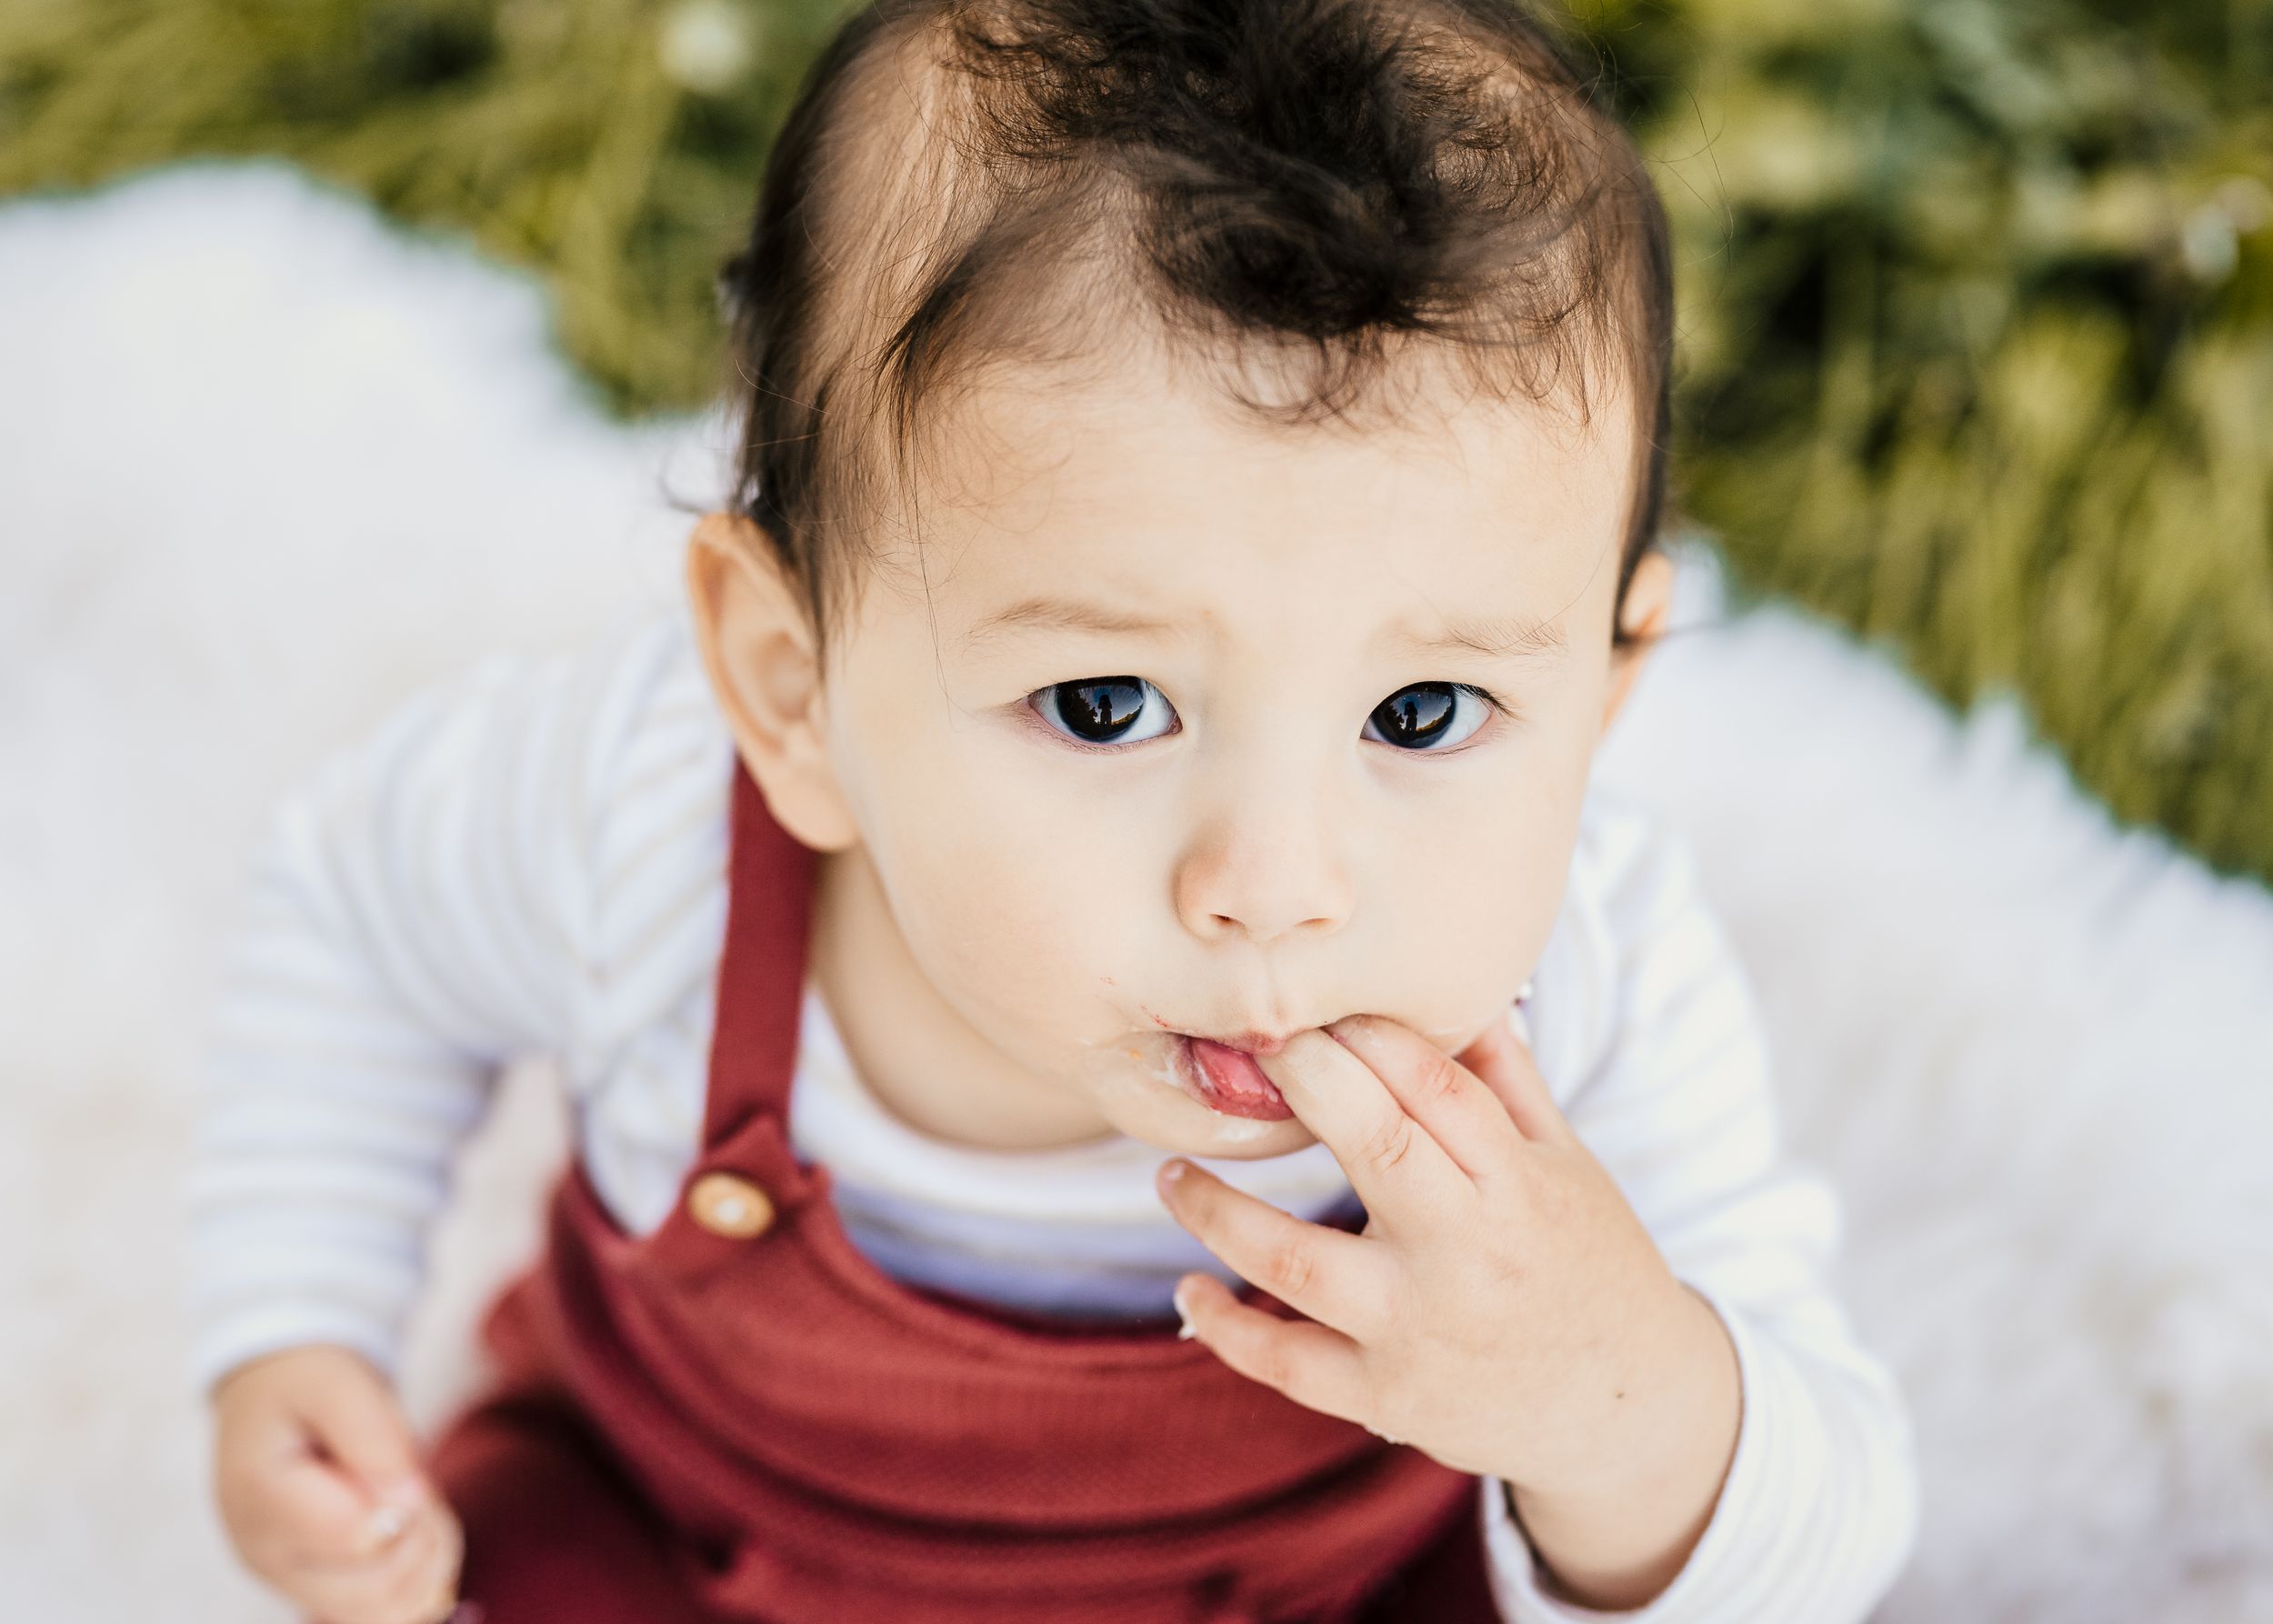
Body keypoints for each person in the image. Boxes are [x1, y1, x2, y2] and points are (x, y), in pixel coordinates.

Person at [186, 1, 1921, 1619]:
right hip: (702, 1541)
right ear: (794, 688)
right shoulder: (633, 822)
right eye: (1106, 706)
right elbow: (361, 926)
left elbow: (1834, 1522)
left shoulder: (1596, 983)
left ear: (1606, 695)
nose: (1273, 885)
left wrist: (1612, 1412)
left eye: (1426, 713)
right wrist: (296, 1316)